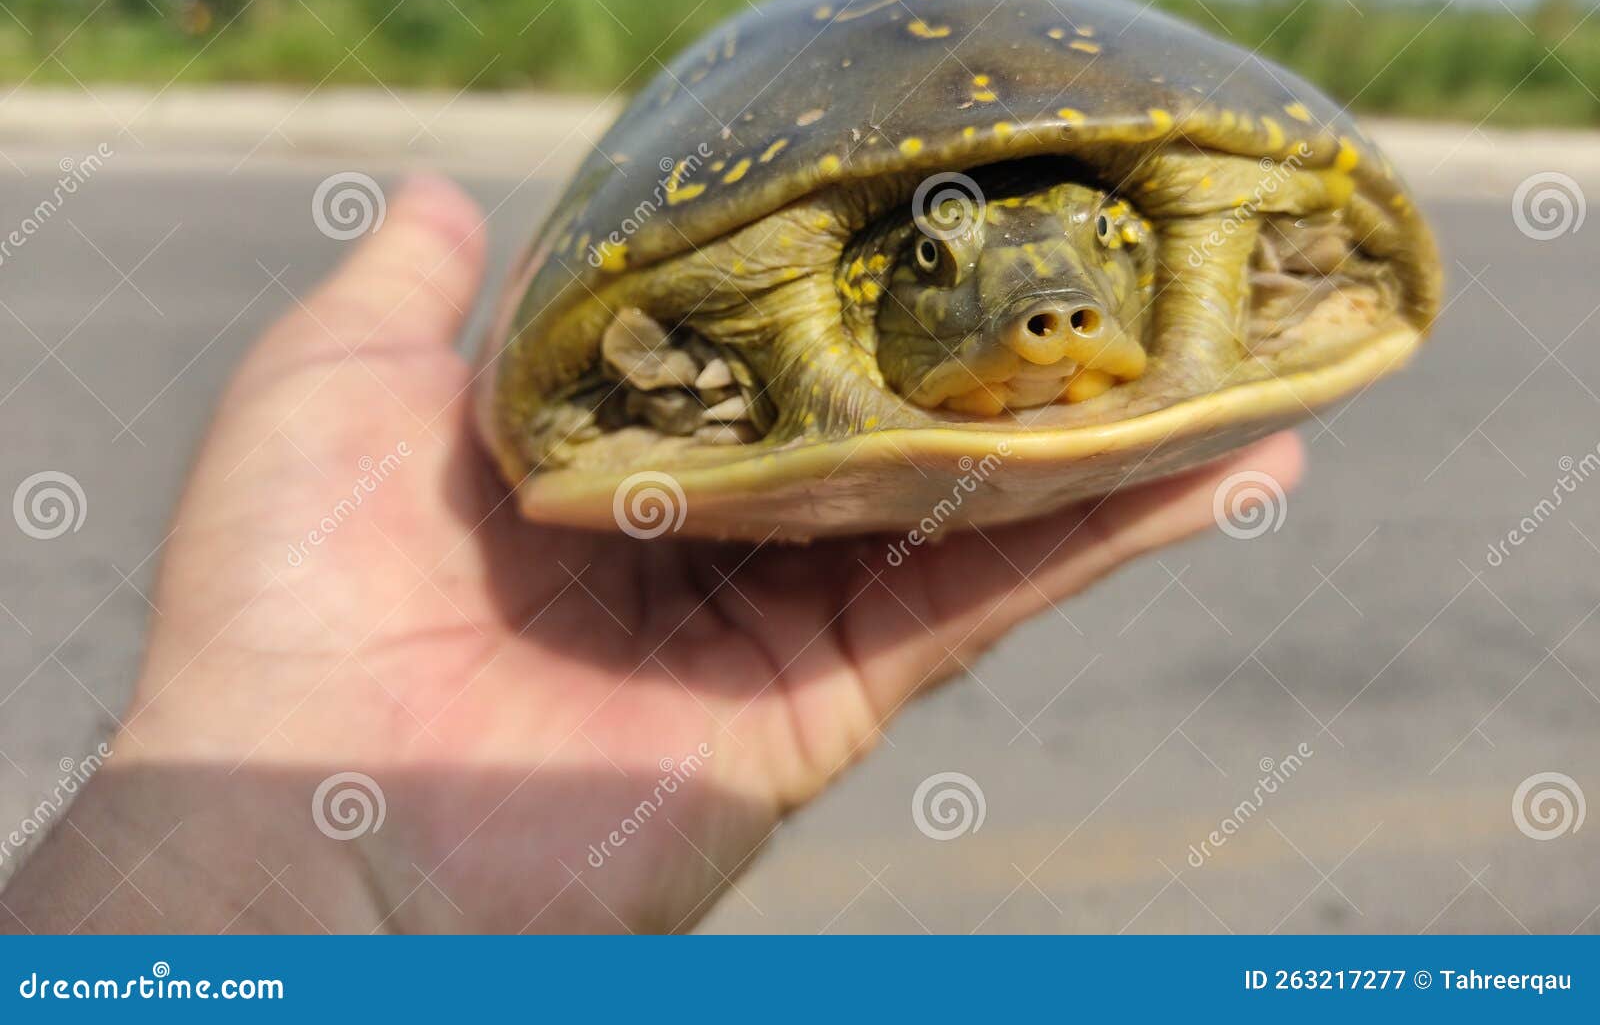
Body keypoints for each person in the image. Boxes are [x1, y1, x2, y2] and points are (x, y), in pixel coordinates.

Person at [0, 176, 1302, 934]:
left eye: (1108, 249)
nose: (1046, 314)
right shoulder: (765, 292)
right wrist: (291, 828)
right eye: (931, 264)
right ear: (860, 285)